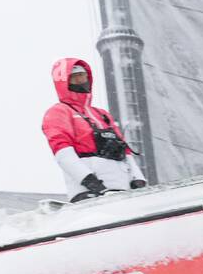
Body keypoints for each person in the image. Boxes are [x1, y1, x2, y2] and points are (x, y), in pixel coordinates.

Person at [42, 58, 147, 202]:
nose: (80, 80)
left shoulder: (102, 114)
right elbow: (64, 156)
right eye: (74, 77)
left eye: (82, 75)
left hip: (123, 191)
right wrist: (94, 185)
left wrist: (139, 181)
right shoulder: (59, 112)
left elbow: (126, 152)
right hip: (89, 195)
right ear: (64, 82)